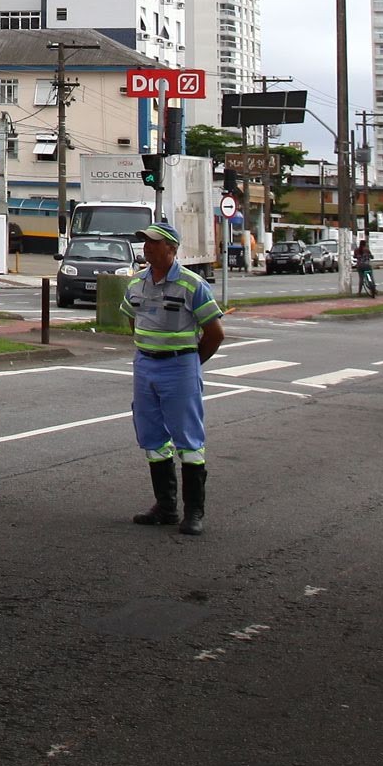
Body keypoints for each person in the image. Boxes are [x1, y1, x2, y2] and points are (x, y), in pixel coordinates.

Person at [125, 221, 226, 536]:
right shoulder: (136, 284)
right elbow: (133, 320)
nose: (147, 248)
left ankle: (194, 512)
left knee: (189, 440)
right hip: (145, 366)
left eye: (154, 243)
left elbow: (214, 333)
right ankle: (165, 506)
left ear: (172, 249)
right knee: (152, 436)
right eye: (145, 242)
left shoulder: (192, 285)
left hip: (179, 367)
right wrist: (148, 350)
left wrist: (190, 362)